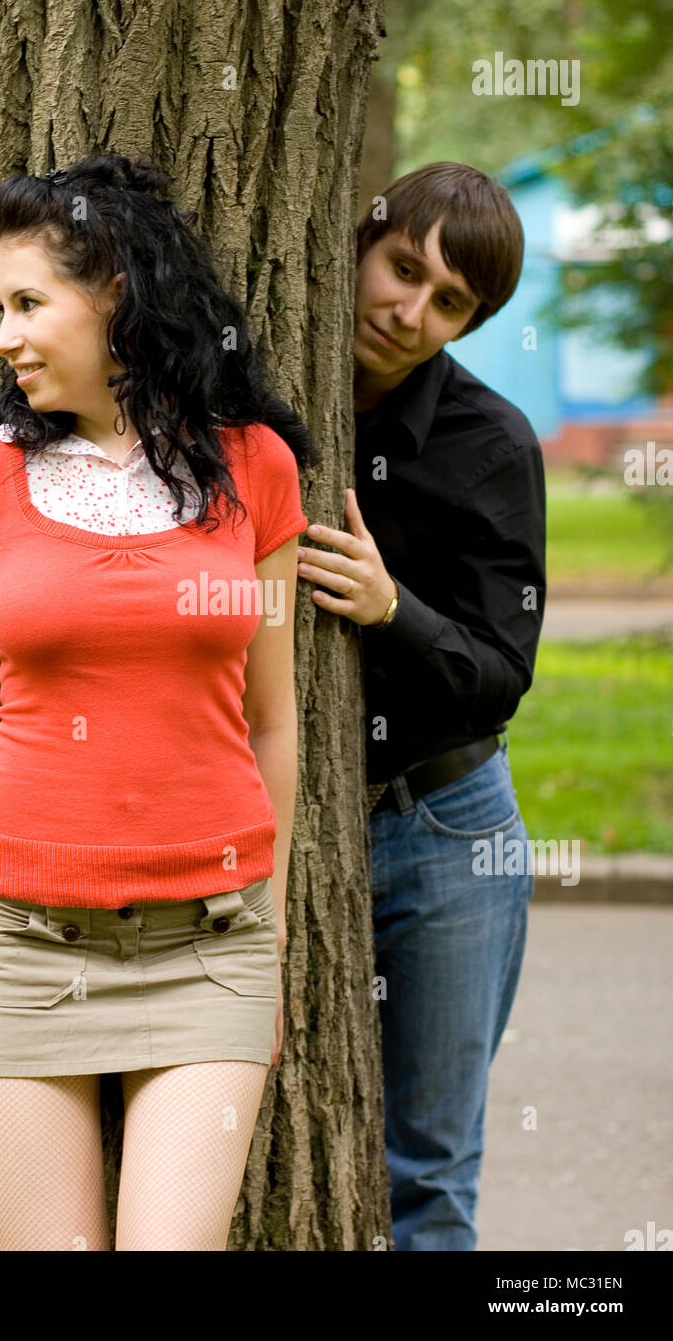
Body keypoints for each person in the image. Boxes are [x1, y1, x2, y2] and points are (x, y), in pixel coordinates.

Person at [0, 152, 320, 1251]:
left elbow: (274, 718)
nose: (2, 335)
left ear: (119, 297)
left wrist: (272, 928)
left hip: (210, 946)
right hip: (22, 943)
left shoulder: (257, 469)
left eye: (28, 302)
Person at [296, 161, 546, 1249]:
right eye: (403, 269)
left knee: (426, 1175)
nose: (409, 312)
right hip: (286, 825)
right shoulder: (258, 395)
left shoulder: (493, 446)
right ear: (364, 239)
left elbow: (504, 669)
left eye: (450, 303)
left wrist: (394, 607)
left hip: (448, 832)